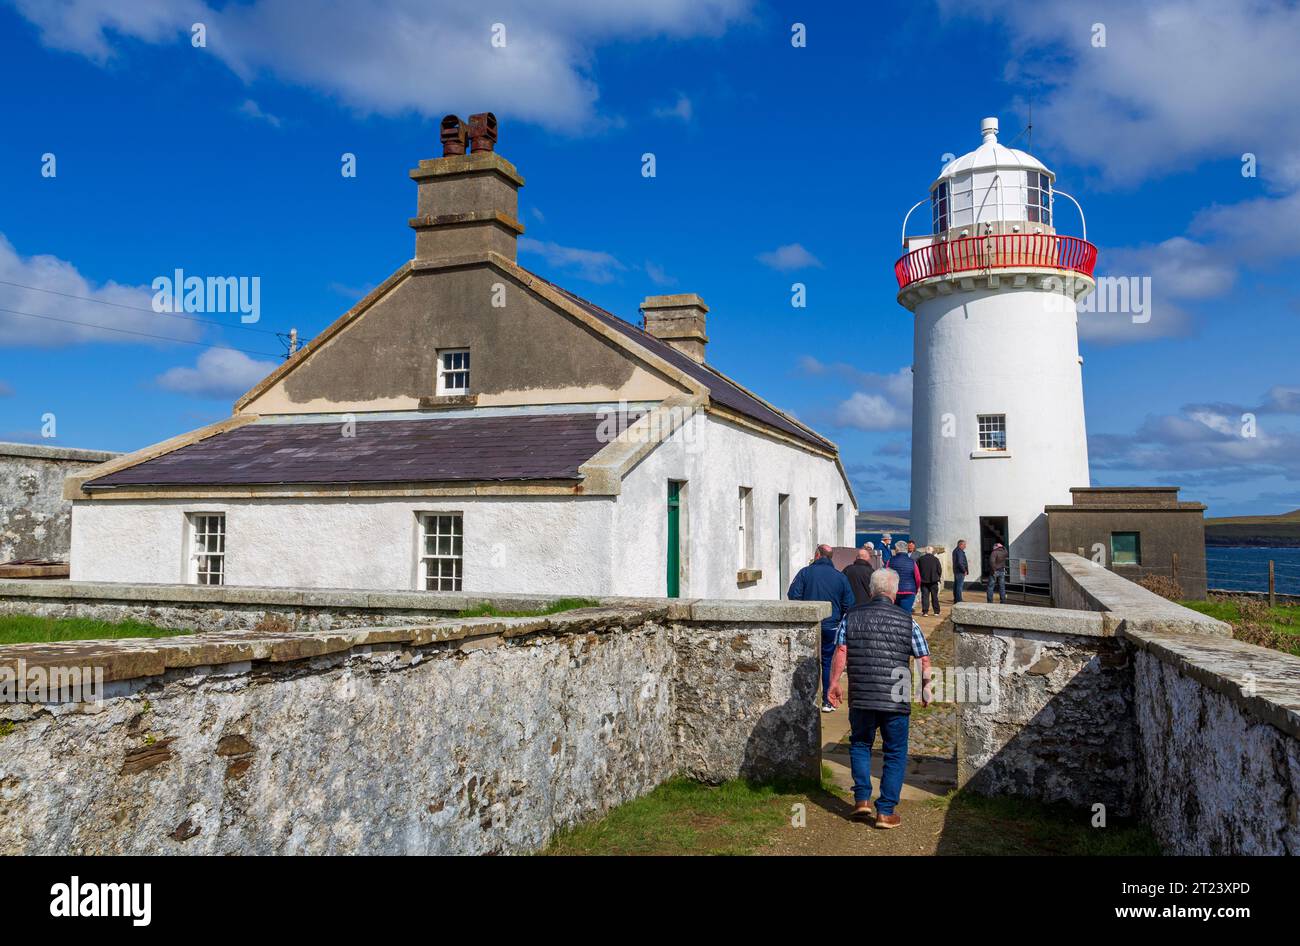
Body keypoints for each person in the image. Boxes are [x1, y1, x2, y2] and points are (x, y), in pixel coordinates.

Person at [827, 567, 932, 829]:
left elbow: (841, 650)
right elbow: (923, 657)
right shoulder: (909, 620)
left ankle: (862, 799)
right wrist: (925, 688)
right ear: (895, 593)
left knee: (861, 743)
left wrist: (834, 683)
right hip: (895, 696)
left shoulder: (851, 616)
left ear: (872, 591)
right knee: (895, 752)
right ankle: (885, 811)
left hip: (862, 693)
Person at [788, 544, 856, 713]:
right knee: (827, 663)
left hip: (809, 625)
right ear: (830, 557)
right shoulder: (840, 577)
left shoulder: (805, 573)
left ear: (817, 555)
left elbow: (793, 595)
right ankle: (827, 700)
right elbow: (849, 604)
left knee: (805, 661)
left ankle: (804, 702)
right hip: (831, 626)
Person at [887, 541, 921, 614]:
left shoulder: (890, 561)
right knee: (906, 614)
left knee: (894, 614)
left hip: (894, 592)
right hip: (909, 592)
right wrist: (915, 589)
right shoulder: (912, 562)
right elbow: (917, 578)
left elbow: (886, 575)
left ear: (896, 550)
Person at [916, 546, 942, 616]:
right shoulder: (936, 559)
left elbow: (917, 570)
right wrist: (938, 577)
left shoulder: (920, 559)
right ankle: (936, 611)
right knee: (934, 597)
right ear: (932, 551)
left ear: (925, 551)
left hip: (923, 581)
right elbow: (939, 570)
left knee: (925, 596)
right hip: (934, 580)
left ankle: (925, 612)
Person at [952, 539, 969, 603]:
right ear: (960, 545)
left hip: (956, 571)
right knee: (959, 586)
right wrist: (964, 570)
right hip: (960, 571)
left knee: (956, 585)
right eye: (964, 545)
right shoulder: (959, 551)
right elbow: (960, 562)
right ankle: (959, 600)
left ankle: (956, 599)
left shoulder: (955, 550)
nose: (965, 546)